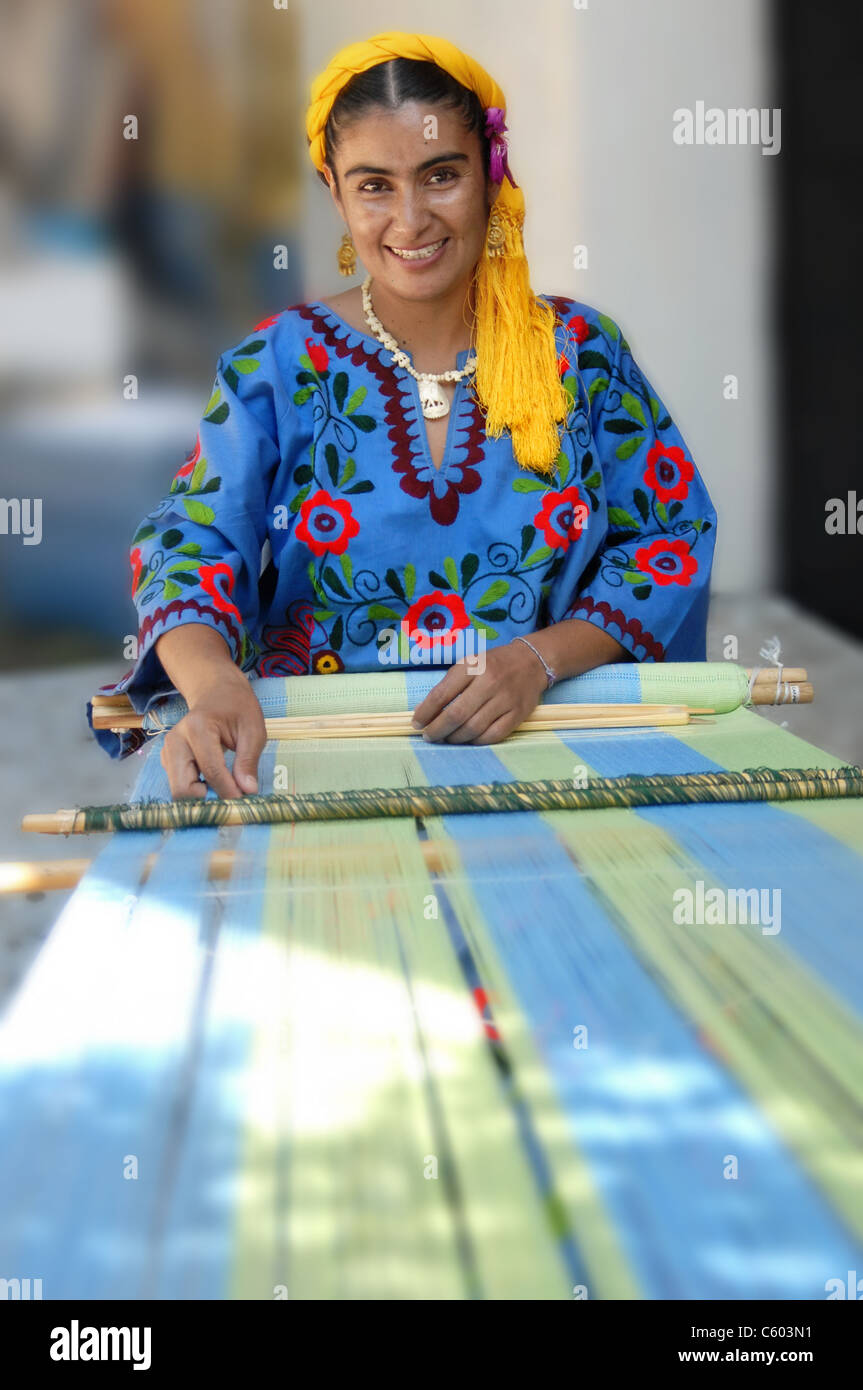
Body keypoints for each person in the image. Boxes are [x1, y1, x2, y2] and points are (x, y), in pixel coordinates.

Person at [91, 31, 716, 802]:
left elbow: (668, 534)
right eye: (374, 185)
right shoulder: (275, 365)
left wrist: (536, 661)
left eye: (440, 175)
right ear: (334, 191)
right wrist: (215, 683)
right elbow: (190, 542)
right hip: (312, 764)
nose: (410, 219)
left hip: (553, 752)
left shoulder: (578, 352)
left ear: (491, 176)